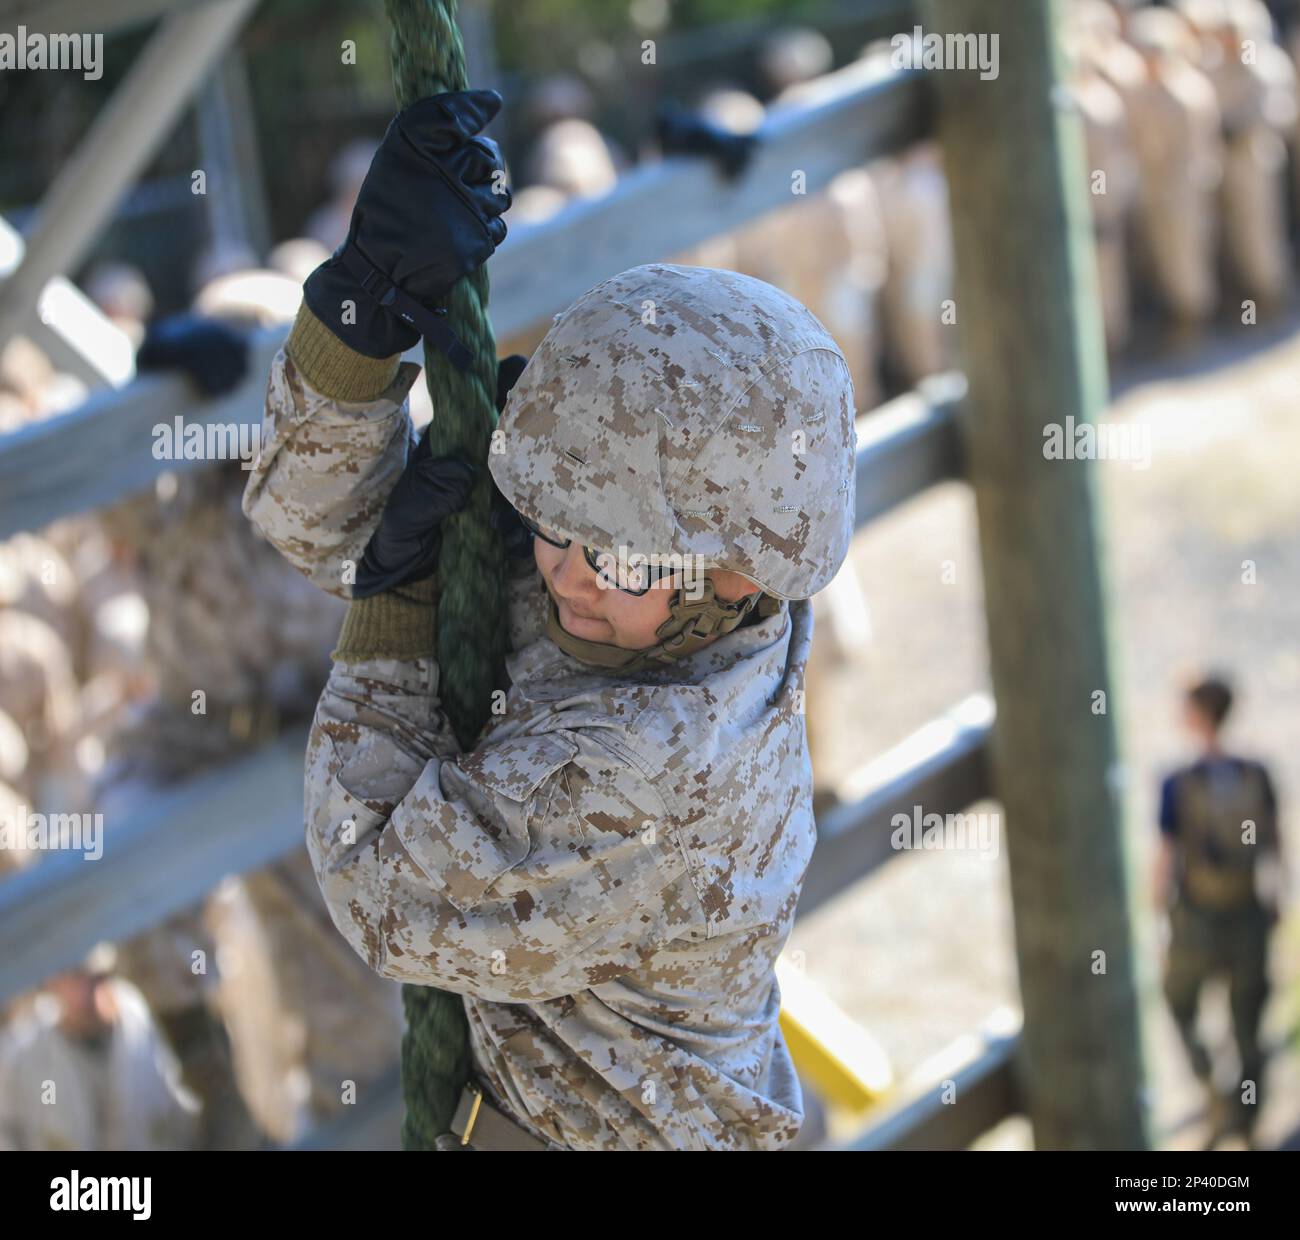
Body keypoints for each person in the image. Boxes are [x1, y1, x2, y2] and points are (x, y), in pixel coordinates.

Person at [244, 88, 856, 1150]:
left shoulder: (659, 773)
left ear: (742, 578)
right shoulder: (649, 588)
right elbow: (321, 533)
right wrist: (361, 312)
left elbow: (378, 883)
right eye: (546, 517)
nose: (562, 571)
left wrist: (392, 622)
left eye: (608, 548)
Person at [1154, 674, 1288, 1146]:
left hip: (1197, 919)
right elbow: (1275, 843)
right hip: (1249, 911)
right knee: (1248, 1019)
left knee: (1178, 1002)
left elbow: (1167, 859)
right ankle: (1247, 1120)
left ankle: (1212, 1088)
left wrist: (1158, 918)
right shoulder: (1257, 773)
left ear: (1197, 715)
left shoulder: (1178, 782)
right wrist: (1277, 900)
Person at [0, 950, 198, 1151]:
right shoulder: (24, 1049)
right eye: (73, 980)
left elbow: (172, 1105)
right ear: (53, 984)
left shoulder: (134, 1017)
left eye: (93, 980)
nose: (84, 994)